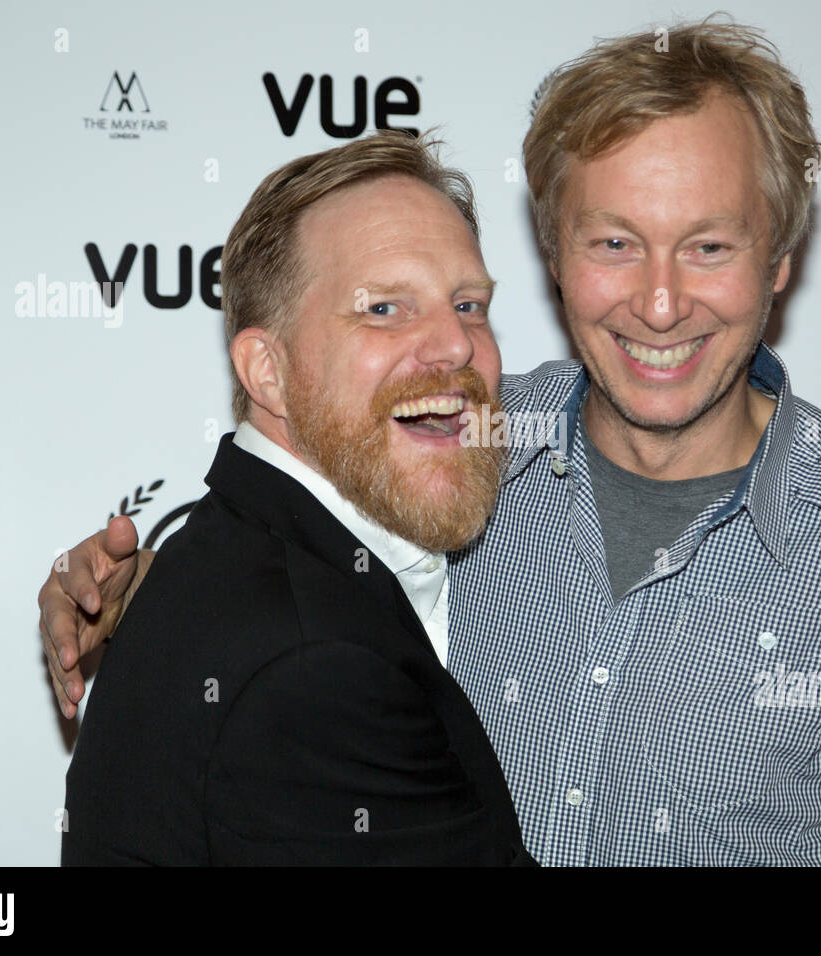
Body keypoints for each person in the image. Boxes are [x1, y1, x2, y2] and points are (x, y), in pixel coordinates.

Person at [43, 16, 821, 865]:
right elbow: (296, 488)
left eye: (708, 246)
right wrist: (137, 588)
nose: (660, 301)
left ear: (779, 266)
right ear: (553, 256)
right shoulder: (453, 446)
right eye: (614, 243)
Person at [61, 132, 533, 865]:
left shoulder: (219, 556)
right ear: (267, 372)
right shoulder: (320, 668)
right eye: (383, 309)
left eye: (469, 304)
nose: (456, 345)